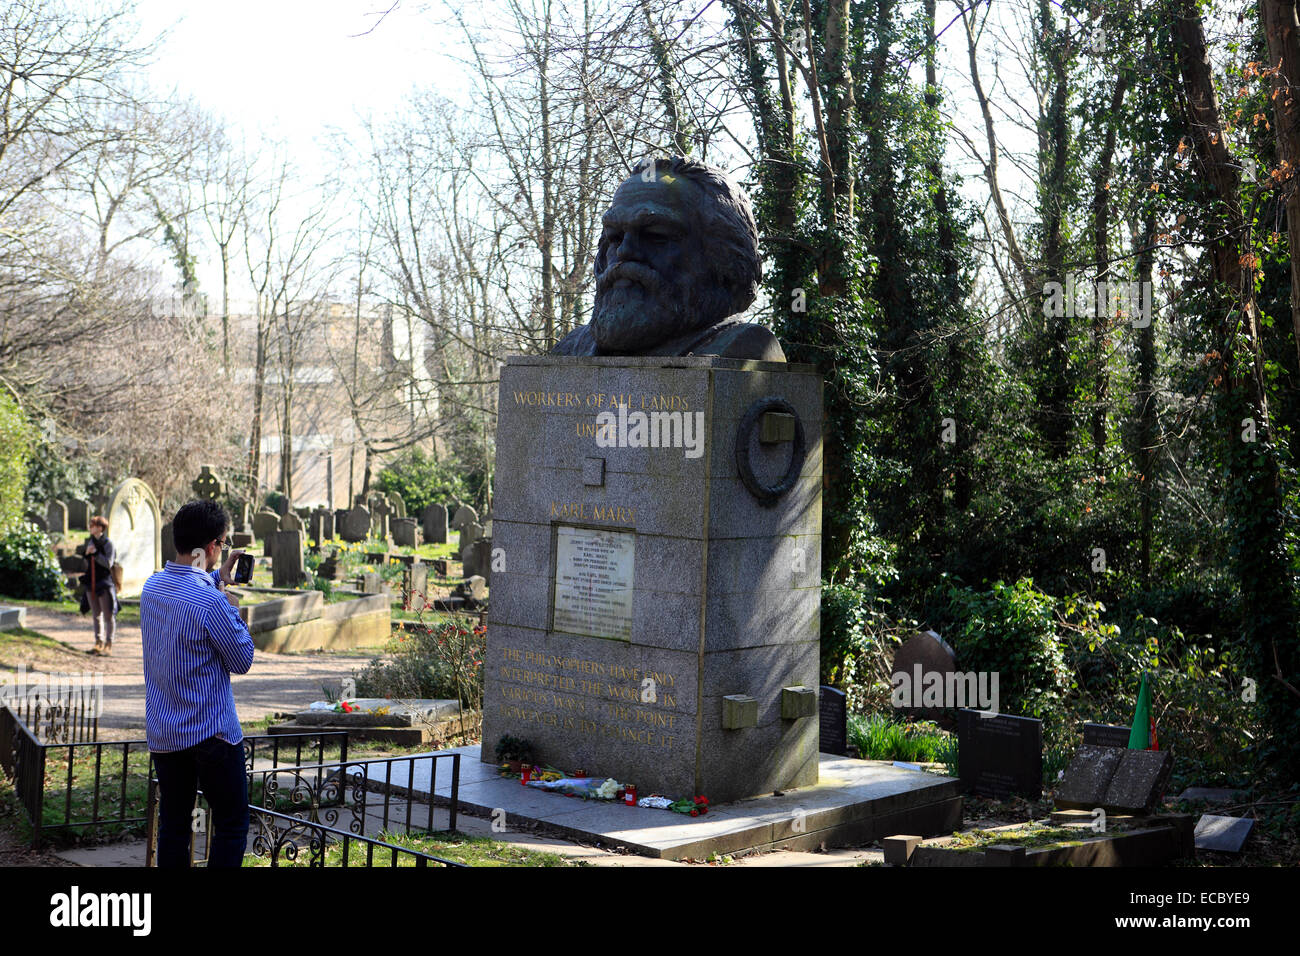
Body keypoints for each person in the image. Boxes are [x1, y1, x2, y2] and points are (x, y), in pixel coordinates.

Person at [551, 155, 785, 361]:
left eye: (656, 236)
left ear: (724, 258)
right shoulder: (571, 349)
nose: (624, 251)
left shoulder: (744, 348)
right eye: (615, 236)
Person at [140, 499, 254, 868]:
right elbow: (242, 660)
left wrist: (216, 575)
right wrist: (230, 606)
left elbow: (187, 589)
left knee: (174, 825)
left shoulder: (151, 588)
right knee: (232, 824)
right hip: (212, 734)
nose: (222, 547)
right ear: (209, 547)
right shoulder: (211, 601)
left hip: (165, 732)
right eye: (222, 541)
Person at [83, 515, 119, 656]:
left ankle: (108, 644)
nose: (90, 527)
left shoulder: (108, 544)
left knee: (108, 615)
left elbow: (108, 563)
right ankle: (98, 642)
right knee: (96, 615)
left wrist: (96, 553)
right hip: (91, 582)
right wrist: (87, 555)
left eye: (92, 525)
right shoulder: (90, 541)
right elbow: (87, 564)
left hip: (105, 584)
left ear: (100, 528)